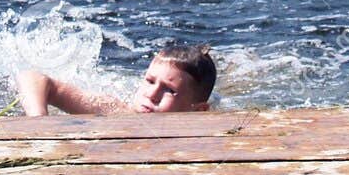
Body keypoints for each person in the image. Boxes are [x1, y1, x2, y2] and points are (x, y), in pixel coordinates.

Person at [17, 44, 216, 116]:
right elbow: (32, 78)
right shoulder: (114, 112)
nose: (152, 94)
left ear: (198, 111)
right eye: (149, 81)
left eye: (169, 90)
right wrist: (39, 121)